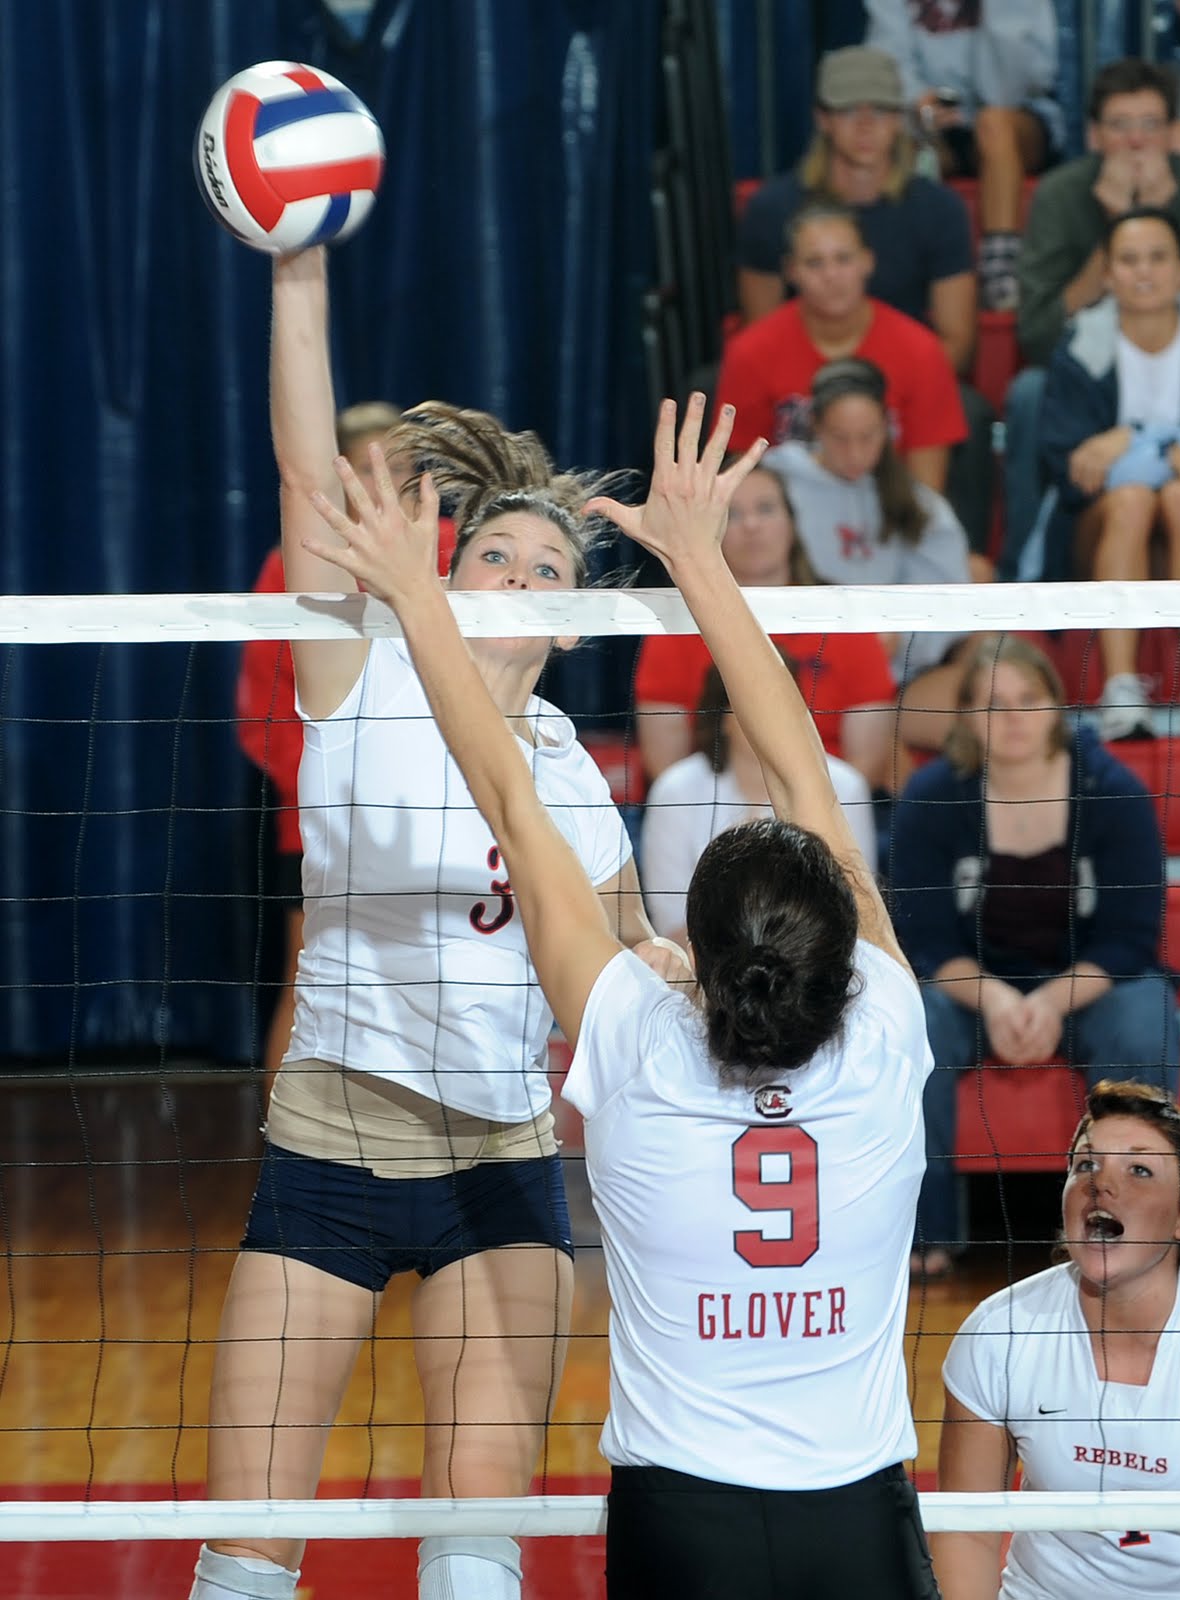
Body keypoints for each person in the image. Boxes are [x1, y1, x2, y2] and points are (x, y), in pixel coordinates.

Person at [303, 390, 940, 1599]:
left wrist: (419, 594)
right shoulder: (887, 1032)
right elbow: (807, 766)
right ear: (844, 955)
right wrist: (701, 557)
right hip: (853, 1514)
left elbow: (503, 786)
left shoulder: (636, 1039)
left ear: (691, 947)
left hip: (680, 1515)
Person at [188, 247, 683, 1600]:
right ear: (443, 572)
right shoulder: (360, 673)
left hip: (503, 1163)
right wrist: (298, 272)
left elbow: (634, 954)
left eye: (547, 565)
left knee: (475, 1562)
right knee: (244, 1561)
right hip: (334, 1141)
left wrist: (736, 979)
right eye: (495, 554)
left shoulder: (579, 774)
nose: (523, 575)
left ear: (578, 618)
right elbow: (304, 478)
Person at [889, 634, 1180, 1280]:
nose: (1012, 718)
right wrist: (994, 998)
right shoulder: (932, 798)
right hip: (967, 985)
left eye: (1027, 699)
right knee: (914, 1022)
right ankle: (922, 1234)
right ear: (964, 716)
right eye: (992, 704)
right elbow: (924, 939)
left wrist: (1048, 1000)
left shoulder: (1111, 790)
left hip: (1087, 981)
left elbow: (1132, 936)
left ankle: (1138, 1224)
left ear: (1055, 705)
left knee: (1143, 1019)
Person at [733, 45, 994, 570]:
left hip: (899, 375)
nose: (867, 125)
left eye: (882, 110)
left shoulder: (936, 209)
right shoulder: (771, 210)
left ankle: (956, 557)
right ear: (823, 119)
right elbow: (762, 331)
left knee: (967, 407)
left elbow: (957, 339)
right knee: (718, 377)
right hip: (799, 381)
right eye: (851, 110)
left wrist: (877, 391)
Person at [933, 1080, 1180, 1599]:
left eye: (1139, 1169)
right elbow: (967, 1531)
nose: (1101, 1184)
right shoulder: (1000, 1332)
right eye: (1085, 1165)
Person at [236, 400, 406, 1100]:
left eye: (400, 467)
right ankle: (286, 1141)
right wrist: (339, 779)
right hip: (317, 823)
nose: (385, 480)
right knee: (309, 981)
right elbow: (261, 719)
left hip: (424, 815)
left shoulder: (450, 553)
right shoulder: (293, 568)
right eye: (369, 467)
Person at [1004, 59, 1180, 579]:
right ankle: (1021, 567)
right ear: (1093, 134)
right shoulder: (1062, 193)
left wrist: (1156, 230)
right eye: (1119, 126)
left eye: (1150, 125)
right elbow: (1037, 336)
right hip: (1086, 382)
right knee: (1028, 392)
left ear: (1174, 132)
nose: (1135, 142)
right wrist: (1115, 236)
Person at [632, 458, 897, 790]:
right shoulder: (675, 628)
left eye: (766, 508)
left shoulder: (843, 620)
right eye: (734, 514)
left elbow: (867, 766)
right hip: (713, 810)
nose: (752, 525)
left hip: (829, 803)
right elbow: (664, 765)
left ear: (792, 524)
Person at [1037, 207, 1180, 739]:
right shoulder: (1080, 347)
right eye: (1128, 259)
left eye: (1157, 257)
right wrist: (1168, 447)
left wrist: (1134, 437)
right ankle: (1121, 687)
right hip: (1099, 529)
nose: (1143, 271)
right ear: (1107, 274)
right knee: (1132, 499)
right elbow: (1070, 469)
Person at [717, 199, 968, 500]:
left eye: (844, 259)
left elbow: (926, 494)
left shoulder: (921, 351)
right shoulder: (750, 352)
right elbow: (745, 488)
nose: (831, 275)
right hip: (787, 529)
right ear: (791, 271)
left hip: (890, 522)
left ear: (868, 261)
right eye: (814, 262)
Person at [763, 357, 970, 713]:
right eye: (840, 438)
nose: (855, 453)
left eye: (868, 437)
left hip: (893, 676)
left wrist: (904, 638)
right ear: (815, 427)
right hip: (793, 665)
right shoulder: (775, 484)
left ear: (888, 428)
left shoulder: (918, 504)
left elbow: (947, 597)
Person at [639, 653, 879, 942]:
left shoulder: (844, 787)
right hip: (701, 969)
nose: (770, 719)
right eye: (754, 705)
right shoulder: (675, 792)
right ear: (723, 717)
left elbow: (858, 910)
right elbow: (671, 921)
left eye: (782, 705)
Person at [864, 0, 1060, 312]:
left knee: (992, 124)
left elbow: (1021, 84)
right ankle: (913, 264)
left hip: (1014, 120)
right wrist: (917, 100)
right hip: (931, 123)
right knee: (902, 146)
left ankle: (1001, 268)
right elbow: (884, 63)